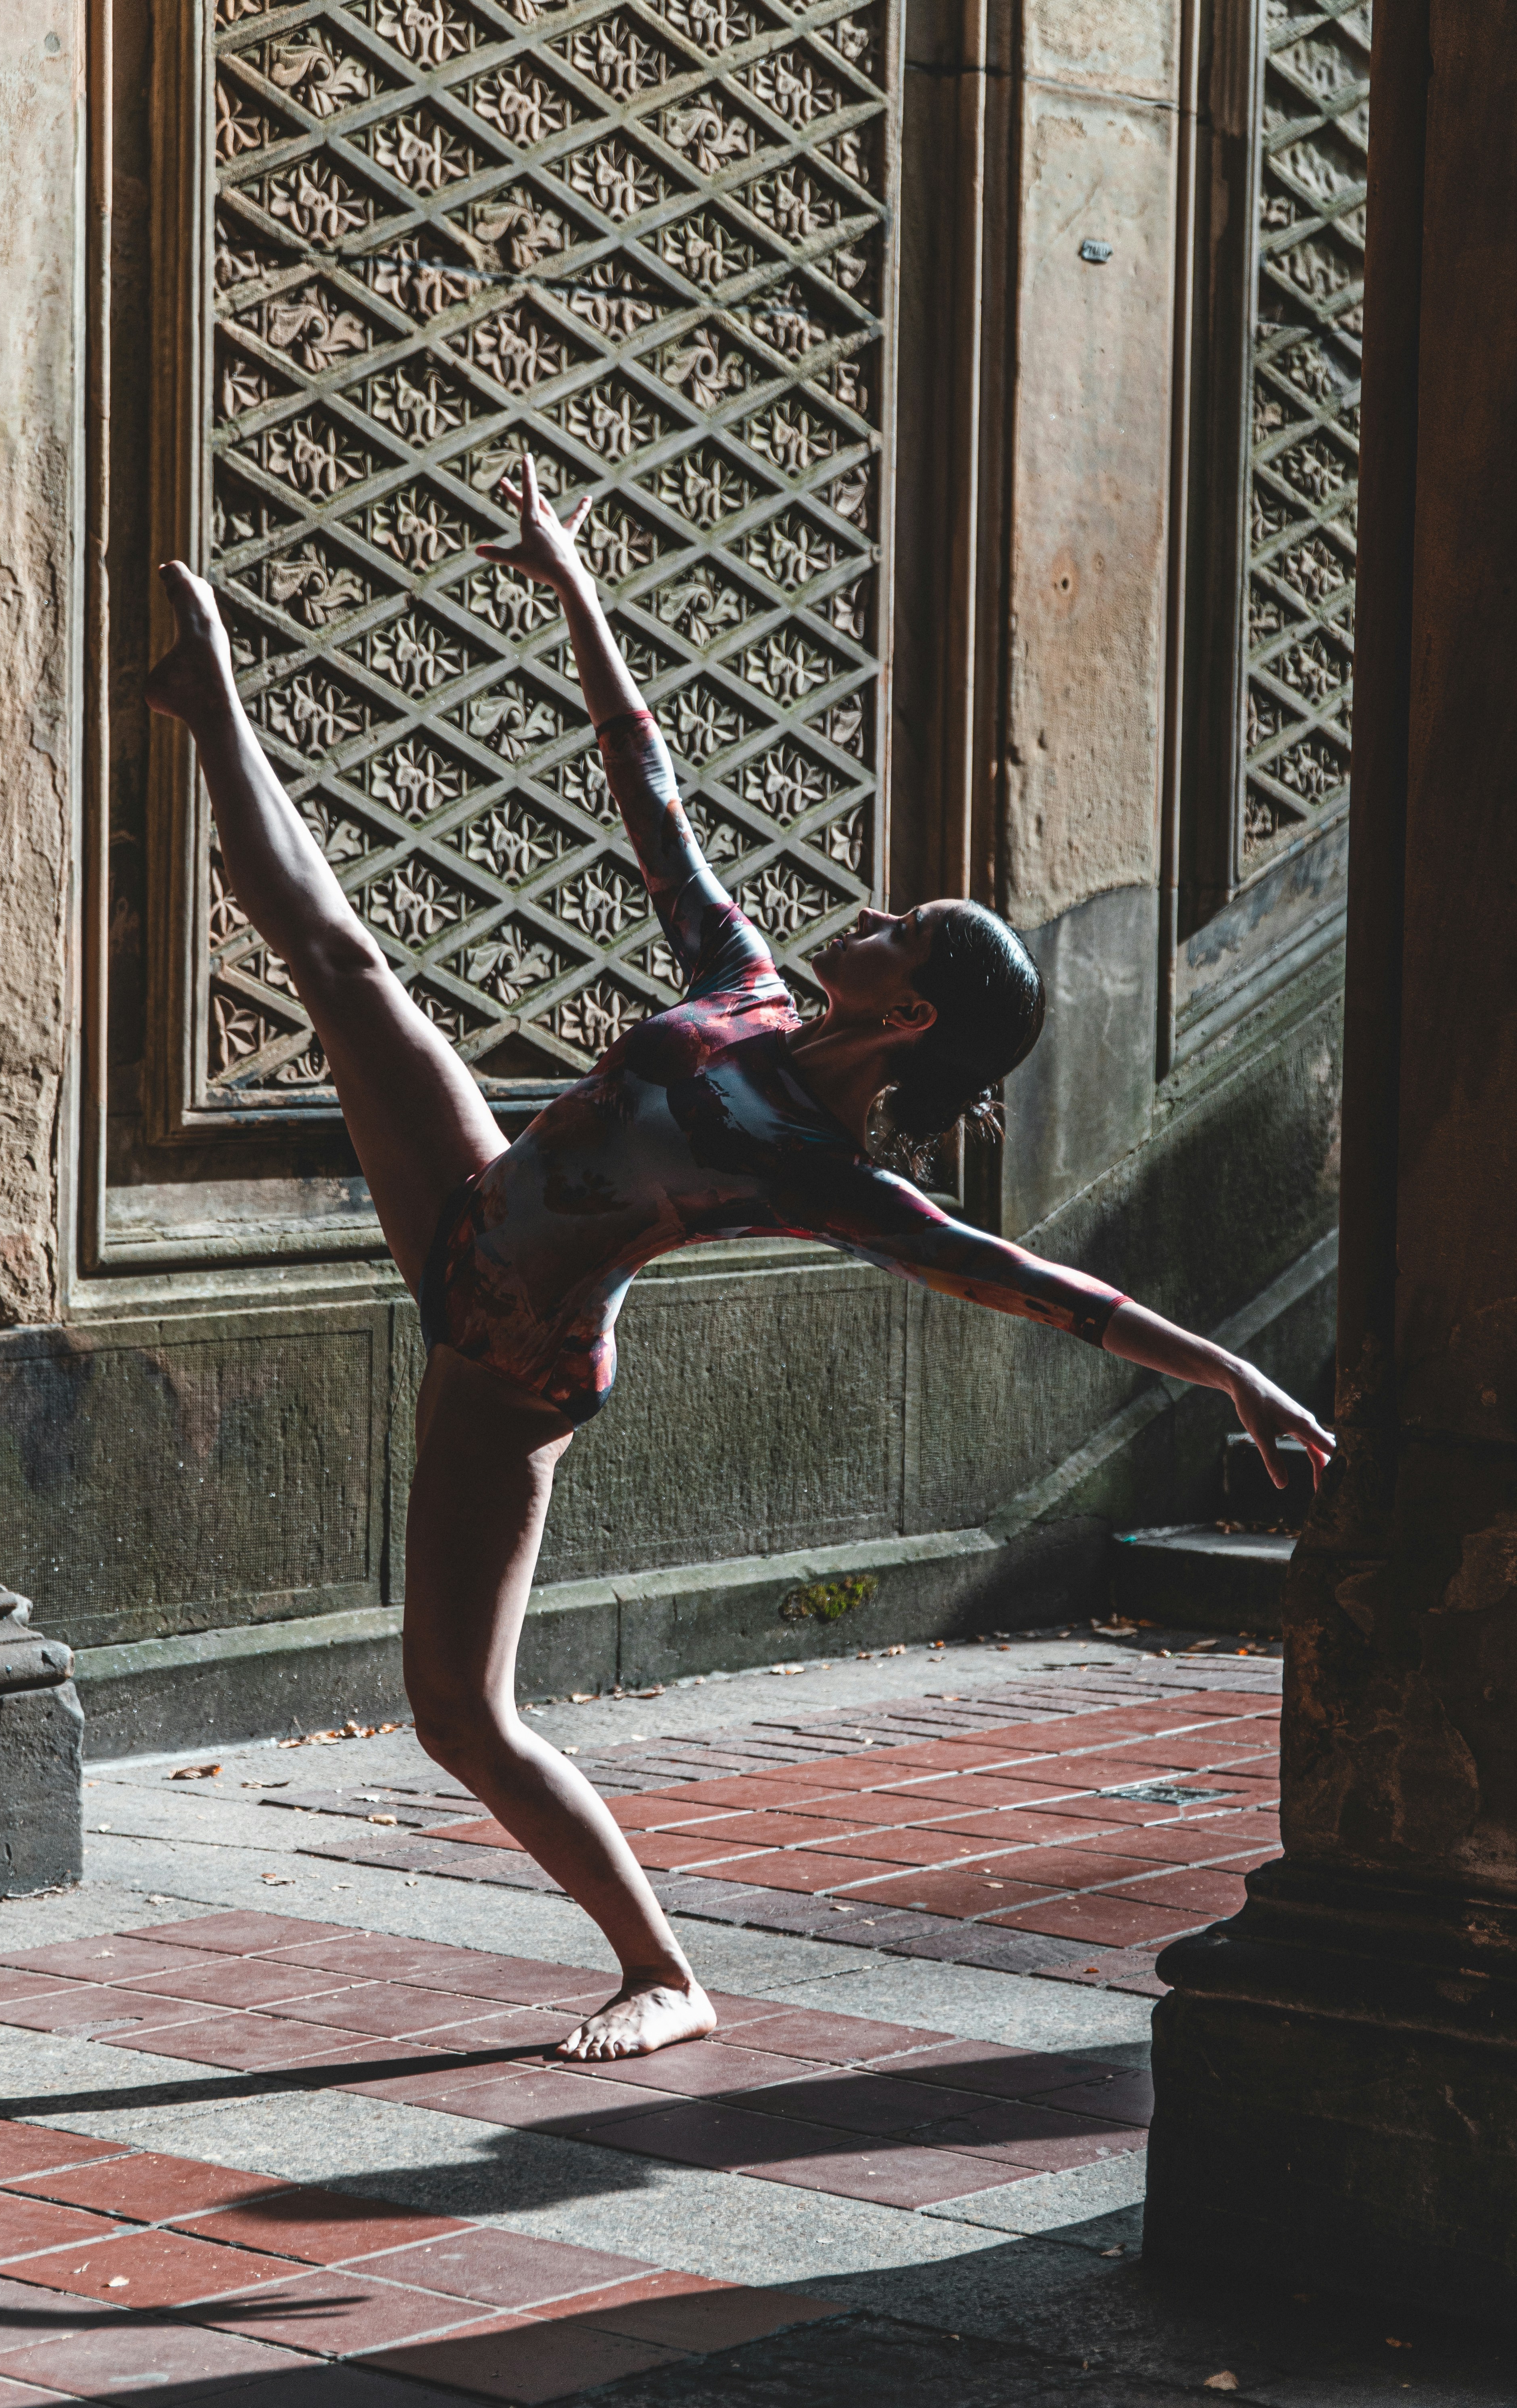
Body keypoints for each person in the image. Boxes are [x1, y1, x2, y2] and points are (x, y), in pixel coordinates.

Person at [146, 458, 1334, 2060]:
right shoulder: (744, 982)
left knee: (459, 1718)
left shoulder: (818, 1173)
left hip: (518, 1358)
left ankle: (662, 1971)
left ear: (906, 1013)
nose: (868, 914)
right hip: (471, 1207)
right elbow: (651, 790)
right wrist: (574, 591)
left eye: (898, 929)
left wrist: (1237, 1370)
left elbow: (1038, 1287)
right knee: (343, 959)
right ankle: (206, 693)